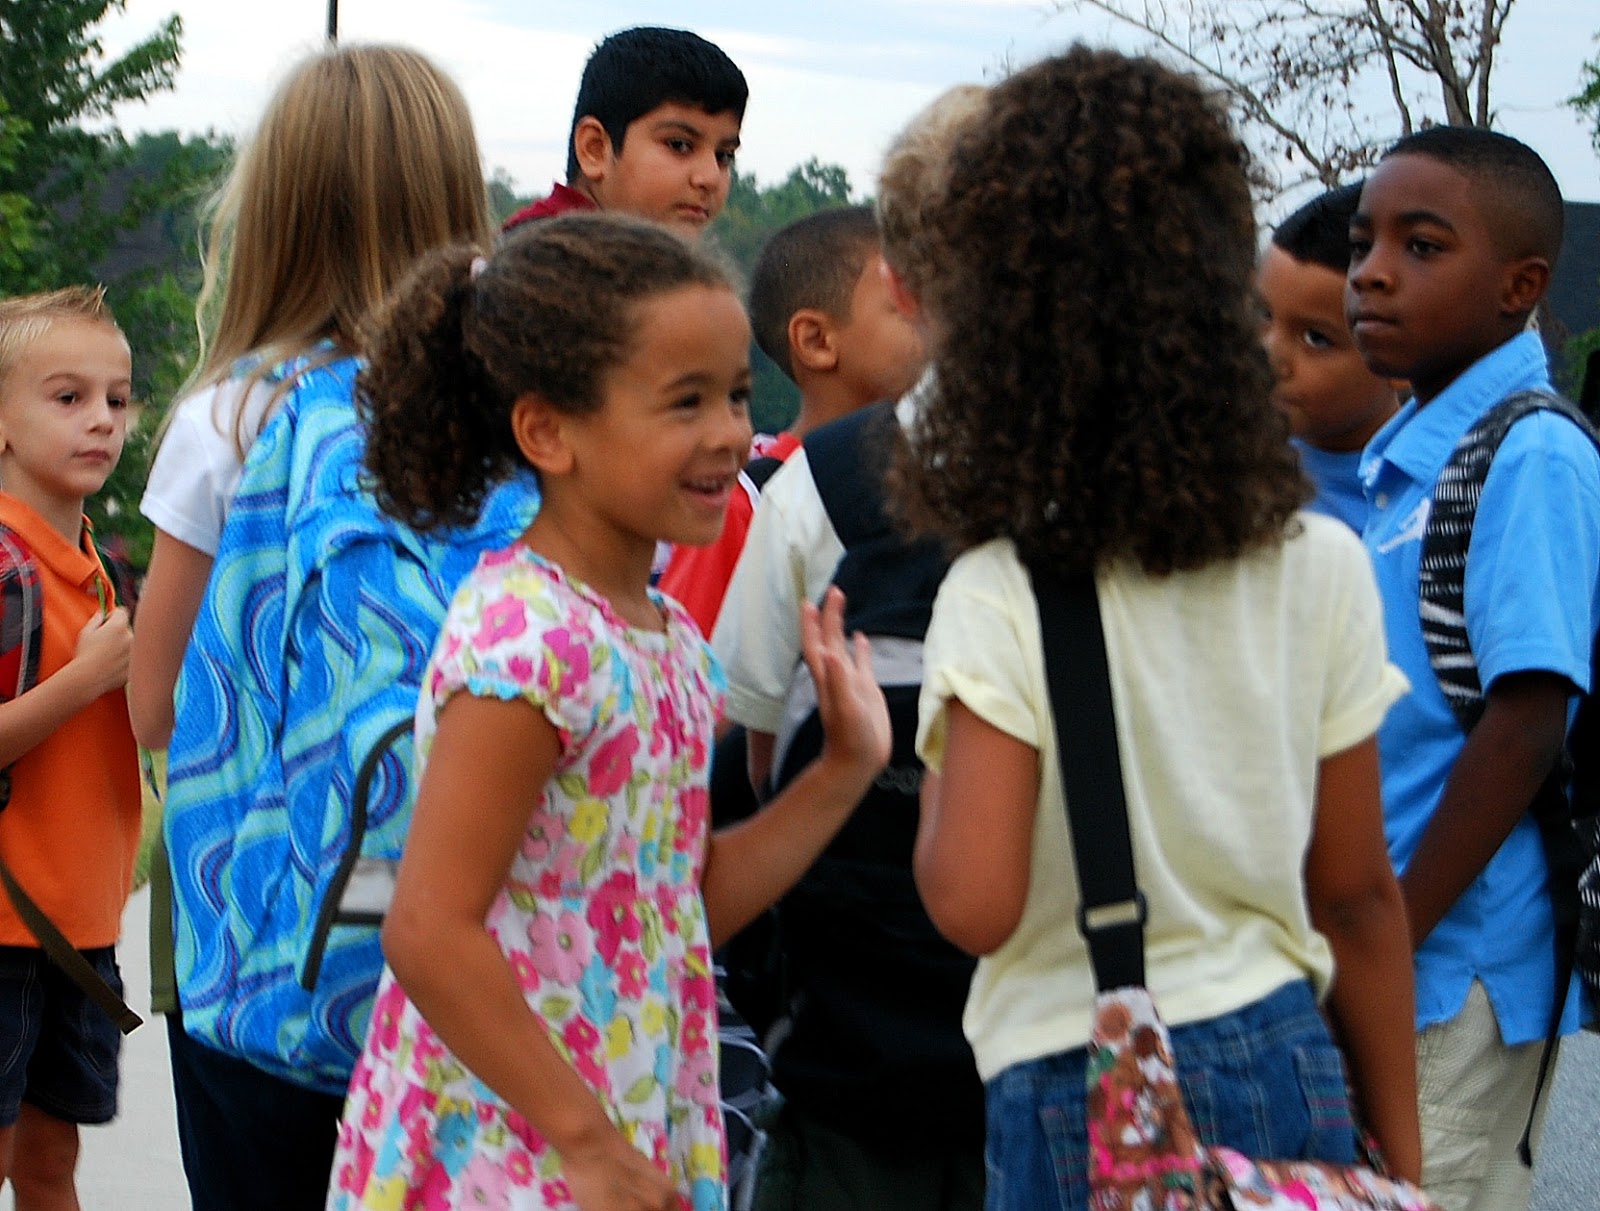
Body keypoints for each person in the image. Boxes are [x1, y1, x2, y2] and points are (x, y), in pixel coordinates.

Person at [900, 48, 1423, 1211]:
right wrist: (1400, 1148)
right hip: (1292, 1057)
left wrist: (896, 770)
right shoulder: (1320, 561)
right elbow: (1353, 892)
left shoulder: (1000, 588)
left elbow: (974, 898)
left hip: (1083, 1086)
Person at [324, 213, 889, 1211]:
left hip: (623, 1124)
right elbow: (427, 926)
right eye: (683, 401)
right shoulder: (528, 639)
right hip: (507, 1148)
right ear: (548, 430)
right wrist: (583, 1137)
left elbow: (673, 910)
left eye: (731, 394)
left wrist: (841, 767)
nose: (727, 431)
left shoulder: (667, 637)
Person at [132, 44, 535, 1210]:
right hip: (491, 963)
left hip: (272, 966)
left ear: (274, 205)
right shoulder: (527, 415)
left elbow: (156, 704)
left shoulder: (235, 413)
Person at [710, 85, 990, 1211]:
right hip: (1090, 1061)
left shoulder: (821, 487)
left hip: (859, 1057)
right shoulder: (1193, 502)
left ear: (902, 280)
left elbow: (751, 759)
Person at [1347, 125, 1600, 1211]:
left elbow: (1526, 719)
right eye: (1365, 241)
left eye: (1422, 245)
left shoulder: (1530, 448)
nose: (1371, 270)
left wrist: (1387, 937)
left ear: (1520, 286)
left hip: (1450, 969)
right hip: (1397, 955)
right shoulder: (1412, 462)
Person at [0, 286, 136, 1208]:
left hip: (81, 932)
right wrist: (82, 682)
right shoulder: (6, 566)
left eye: (117, 399)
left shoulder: (97, 561)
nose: (101, 421)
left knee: (52, 1167)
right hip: (4, 932)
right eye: (67, 397)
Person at [658, 204, 924, 635]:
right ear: (817, 341)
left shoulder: (939, 485)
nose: (937, 321)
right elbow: (688, 667)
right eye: (904, 303)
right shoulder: (745, 504)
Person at [500, 26, 745, 239]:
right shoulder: (540, 268)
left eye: (724, 156)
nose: (710, 177)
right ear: (594, 149)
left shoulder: (645, 266)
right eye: (679, 144)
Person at [1258, 182, 1399, 533]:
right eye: (1261, 315)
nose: (1270, 357)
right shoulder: (1225, 477)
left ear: (1402, 360)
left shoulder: (1442, 500)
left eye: (1315, 338)